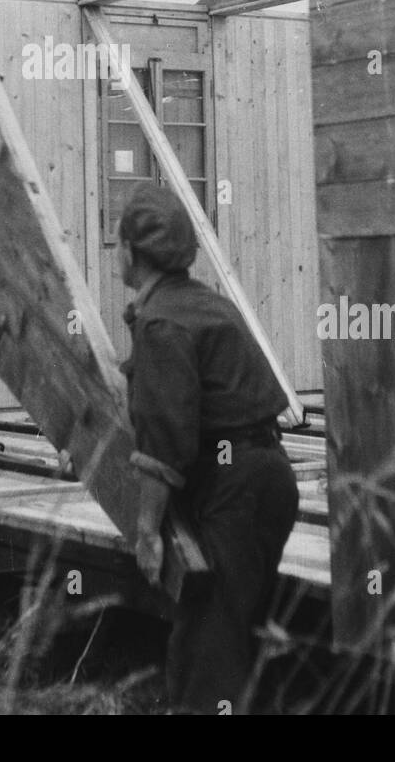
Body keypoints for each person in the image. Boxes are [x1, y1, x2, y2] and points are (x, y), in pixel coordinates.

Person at [118, 183, 298, 714]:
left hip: (232, 489)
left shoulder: (162, 323)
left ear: (130, 252)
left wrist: (147, 531)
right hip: (270, 477)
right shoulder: (207, 305)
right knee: (240, 634)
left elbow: (166, 439)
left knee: (206, 650)